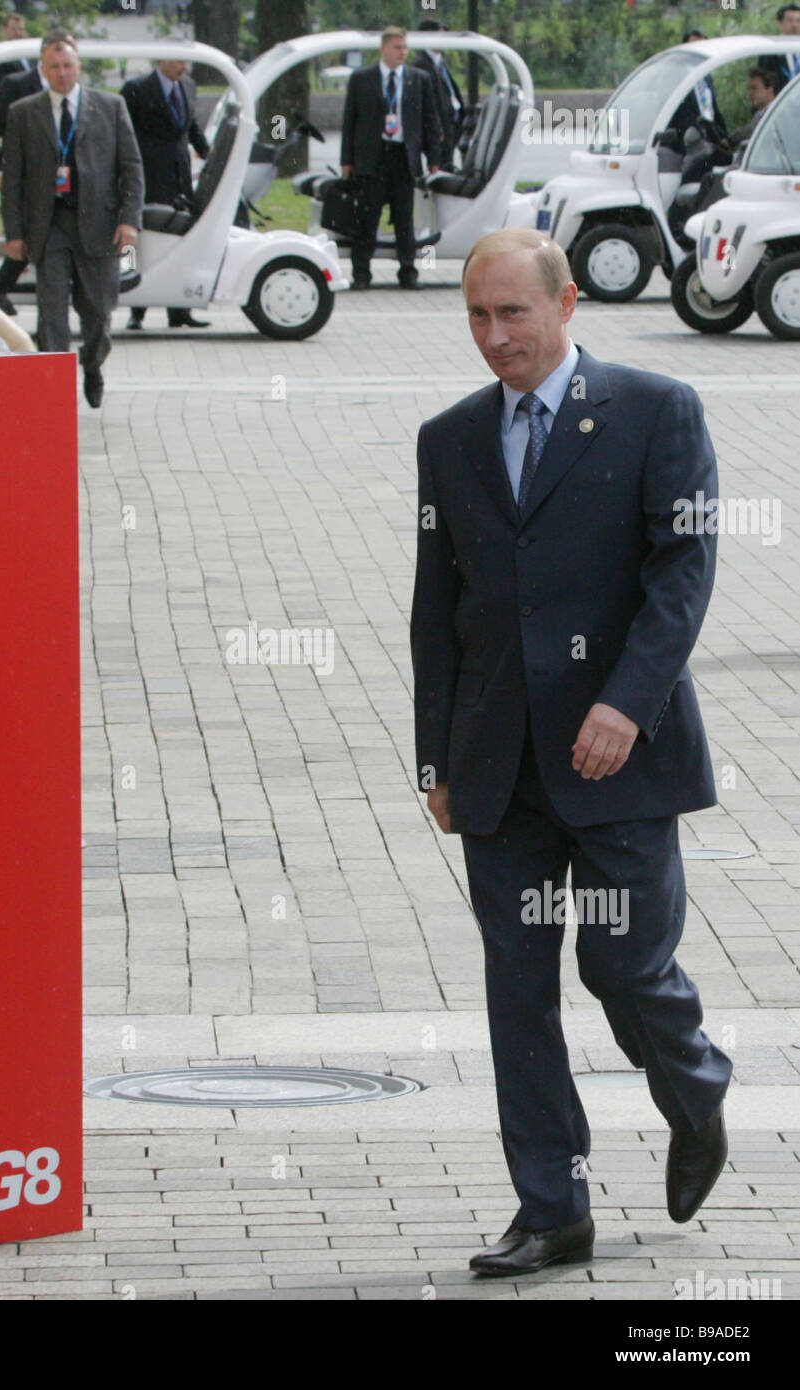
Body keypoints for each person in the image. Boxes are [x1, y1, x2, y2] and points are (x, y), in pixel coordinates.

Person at [411, 227, 732, 1276]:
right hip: (498, 764)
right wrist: (436, 760)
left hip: (618, 757)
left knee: (623, 965)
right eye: (478, 316)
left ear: (566, 305)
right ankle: (553, 1206)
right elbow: (436, 613)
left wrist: (627, 705)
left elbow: (683, 571)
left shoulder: (654, 411)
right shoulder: (448, 438)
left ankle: (694, 1086)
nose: (496, 337)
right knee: (518, 986)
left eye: (514, 313)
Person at [2, 36, 144, 409]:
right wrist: (14, 233)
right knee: (52, 314)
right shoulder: (23, 112)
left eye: (68, 65)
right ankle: (54, 391)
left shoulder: (110, 107)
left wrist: (130, 221)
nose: (61, 73)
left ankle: (93, 364)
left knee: (98, 311)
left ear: (78, 67)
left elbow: (131, 167)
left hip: (99, 226)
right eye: (53, 66)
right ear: (42, 70)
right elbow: (13, 179)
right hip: (50, 227)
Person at [340, 25, 442, 290]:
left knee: (404, 218)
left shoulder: (418, 79)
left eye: (405, 47)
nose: (402, 52)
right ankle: (361, 273)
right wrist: (347, 159)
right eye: (397, 47)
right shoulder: (362, 79)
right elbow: (350, 121)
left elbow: (430, 120)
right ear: (384, 48)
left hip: (402, 156)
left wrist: (433, 157)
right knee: (367, 218)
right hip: (373, 156)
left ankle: (408, 271)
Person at [0, 31, 71, 316]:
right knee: (27, 241)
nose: (64, 68)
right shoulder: (16, 85)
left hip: (64, 184)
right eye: (56, 61)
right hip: (26, 180)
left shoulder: (75, 87)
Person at [122, 59, 212, 330]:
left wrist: (208, 152)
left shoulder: (188, 85)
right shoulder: (137, 88)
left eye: (186, 61)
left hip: (179, 174)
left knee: (181, 238)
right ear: (162, 60)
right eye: (178, 61)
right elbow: (124, 130)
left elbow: (190, 125)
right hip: (148, 174)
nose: (184, 66)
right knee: (142, 241)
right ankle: (137, 309)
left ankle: (180, 310)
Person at [412, 18, 465, 169]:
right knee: (441, 166)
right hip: (439, 129)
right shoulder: (422, 64)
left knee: (447, 165)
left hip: (451, 126)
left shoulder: (439, 62)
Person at [669, 30, 727, 146]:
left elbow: (712, 109)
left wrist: (724, 136)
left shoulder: (706, 77)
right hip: (687, 142)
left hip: (708, 141)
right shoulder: (676, 76)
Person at [0, 12, 35, 95]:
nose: (18, 33)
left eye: (20, 29)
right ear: (4, 31)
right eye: (14, 29)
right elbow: (1, 90)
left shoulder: (32, 56)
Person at [757, 4, 800, 94]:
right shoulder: (769, 53)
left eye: (798, 20)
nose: (795, 25)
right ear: (780, 24)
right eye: (790, 20)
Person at [730, 68, 777, 148]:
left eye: (754, 88)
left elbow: (757, 129)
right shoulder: (759, 115)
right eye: (749, 89)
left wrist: (731, 140)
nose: (750, 93)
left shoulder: (776, 112)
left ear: (769, 90)